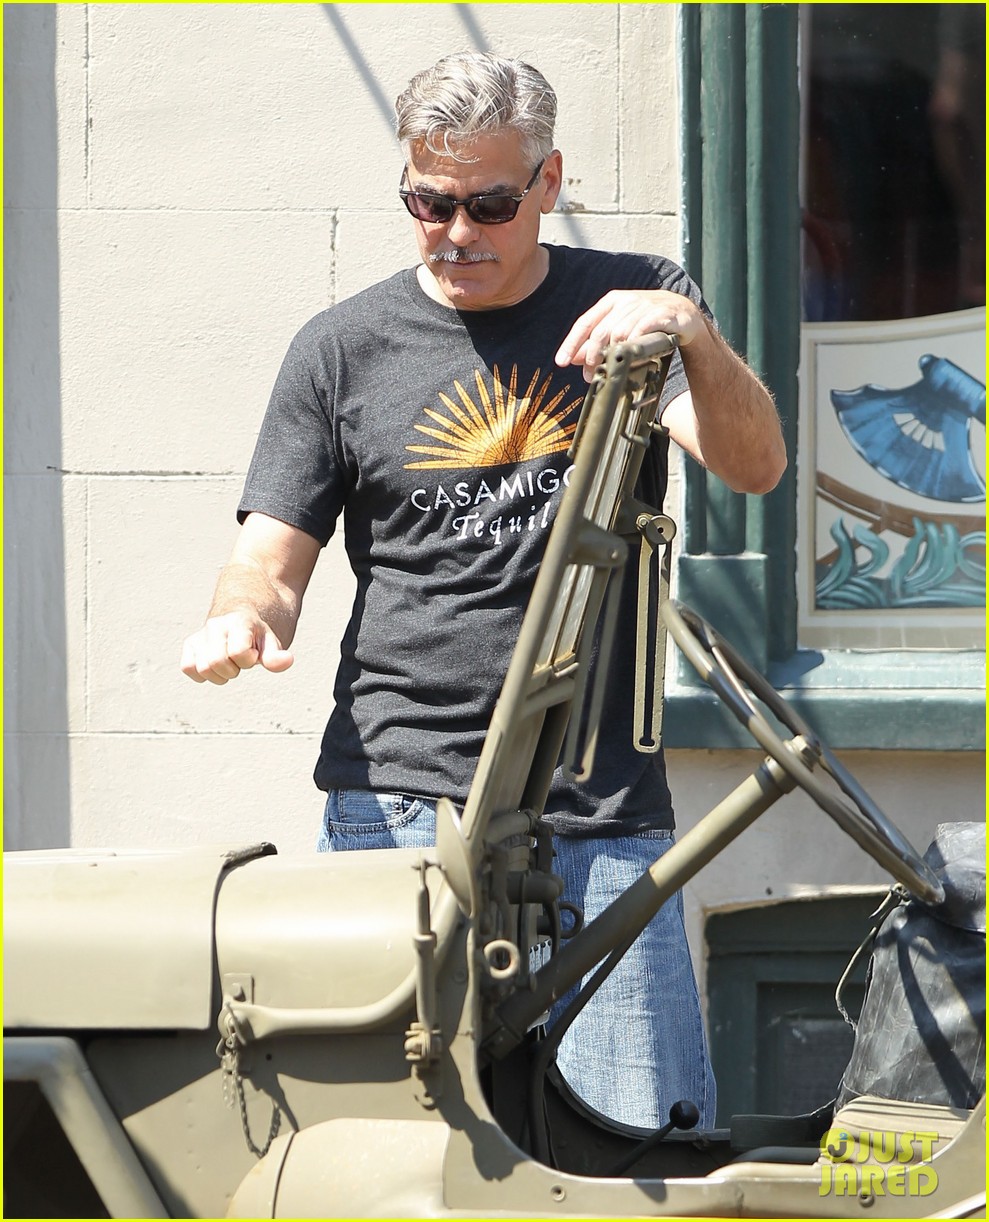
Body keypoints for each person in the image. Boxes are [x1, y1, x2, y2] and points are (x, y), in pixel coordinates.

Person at [181, 51, 786, 1131]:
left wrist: (690, 335)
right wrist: (241, 618)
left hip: (596, 813)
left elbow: (752, 465)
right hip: (394, 806)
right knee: (389, 1148)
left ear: (547, 183)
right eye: (428, 202)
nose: (456, 231)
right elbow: (270, 560)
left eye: (489, 204)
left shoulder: (635, 309)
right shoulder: (339, 350)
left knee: (636, 1160)